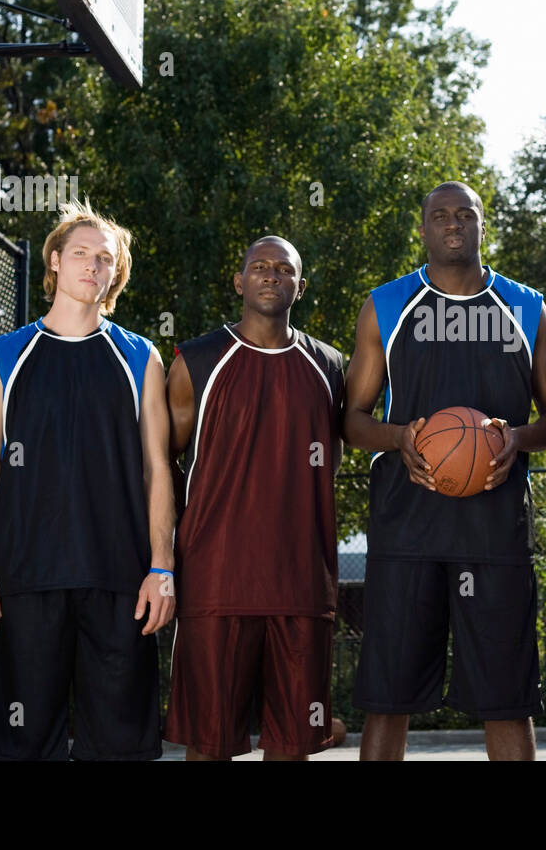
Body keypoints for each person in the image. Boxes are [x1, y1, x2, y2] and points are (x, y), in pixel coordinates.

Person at [344, 181, 546, 761]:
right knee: (388, 698)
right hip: (407, 528)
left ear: (483, 225)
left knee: (506, 697)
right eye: (440, 215)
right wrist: (401, 438)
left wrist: (516, 437)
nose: (453, 222)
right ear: (423, 229)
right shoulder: (386, 305)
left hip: (495, 530)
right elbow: (352, 419)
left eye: (466, 213)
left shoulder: (526, 307)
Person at [0, 200, 174, 761]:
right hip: (26, 578)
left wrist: (162, 567)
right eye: (80, 253)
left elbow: (157, 468)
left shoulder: (139, 358)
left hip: (120, 580)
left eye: (105, 258)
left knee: (120, 747)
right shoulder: (4, 355)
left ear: (115, 273)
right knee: (18, 743)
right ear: (54, 260)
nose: (92, 266)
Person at [164, 236, 345, 761]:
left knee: (293, 744)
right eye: (259, 267)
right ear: (240, 281)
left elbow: (327, 462)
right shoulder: (196, 359)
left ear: (300, 286)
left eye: (284, 269)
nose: (271, 275)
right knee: (211, 744)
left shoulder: (328, 364)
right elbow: (163, 460)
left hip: (302, 582)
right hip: (216, 579)